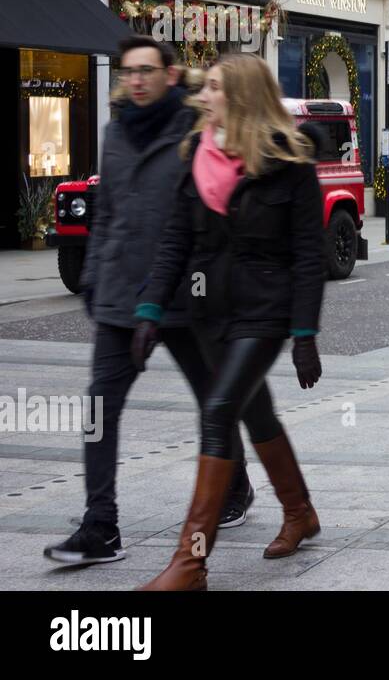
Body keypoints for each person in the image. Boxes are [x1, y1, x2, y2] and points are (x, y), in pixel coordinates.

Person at [44, 36, 255, 567]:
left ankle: (236, 484)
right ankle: (100, 526)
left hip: (183, 297)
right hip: (119, 297)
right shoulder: (114, 132)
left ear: (167, 74)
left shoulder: (195, 129)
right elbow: (108, 212)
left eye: (146, 71)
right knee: (98, 408)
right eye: (127, 71)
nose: (135, 80)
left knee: (215, 402)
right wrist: (92, 277)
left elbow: (216, 209)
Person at [131, 53, 326, 591]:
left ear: (239, 94)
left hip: (265, 312)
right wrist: (149, 308)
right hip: (208, 308)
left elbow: (309, 256)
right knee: (254, 411)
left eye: (214, 86)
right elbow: (176, 240)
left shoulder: (290, 161)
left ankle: (190, 562)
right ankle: (300, 512)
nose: (203, 95)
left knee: (218, 410)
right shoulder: (196, 154)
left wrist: (305, 334)